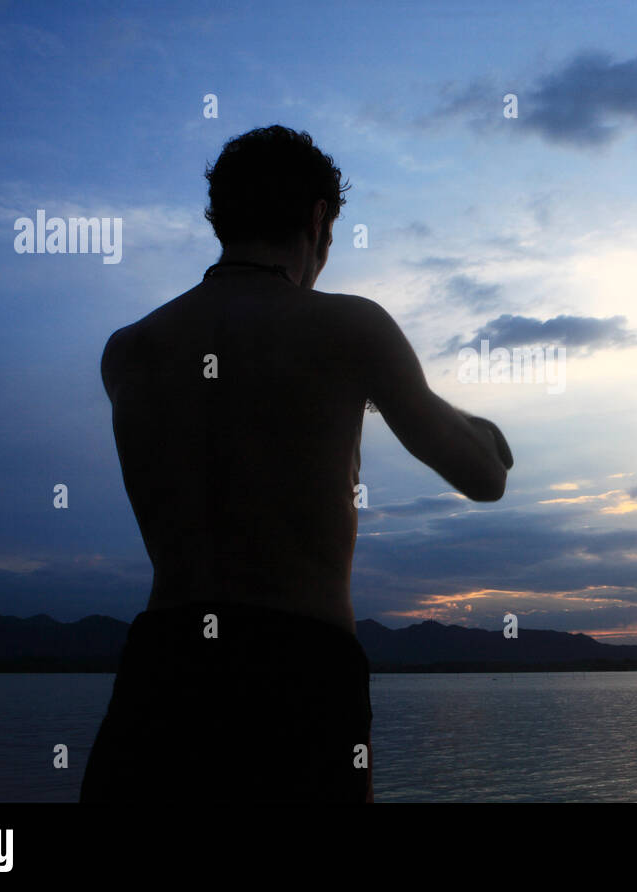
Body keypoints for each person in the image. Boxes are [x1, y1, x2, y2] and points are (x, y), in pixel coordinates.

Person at [80, 126, 513, 803]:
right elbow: (484, 477)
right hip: (299, 669)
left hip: (162, 672)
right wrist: (479, 427)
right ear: (318, 218)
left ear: (219, 216)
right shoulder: (351, 327)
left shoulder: (129, 350)